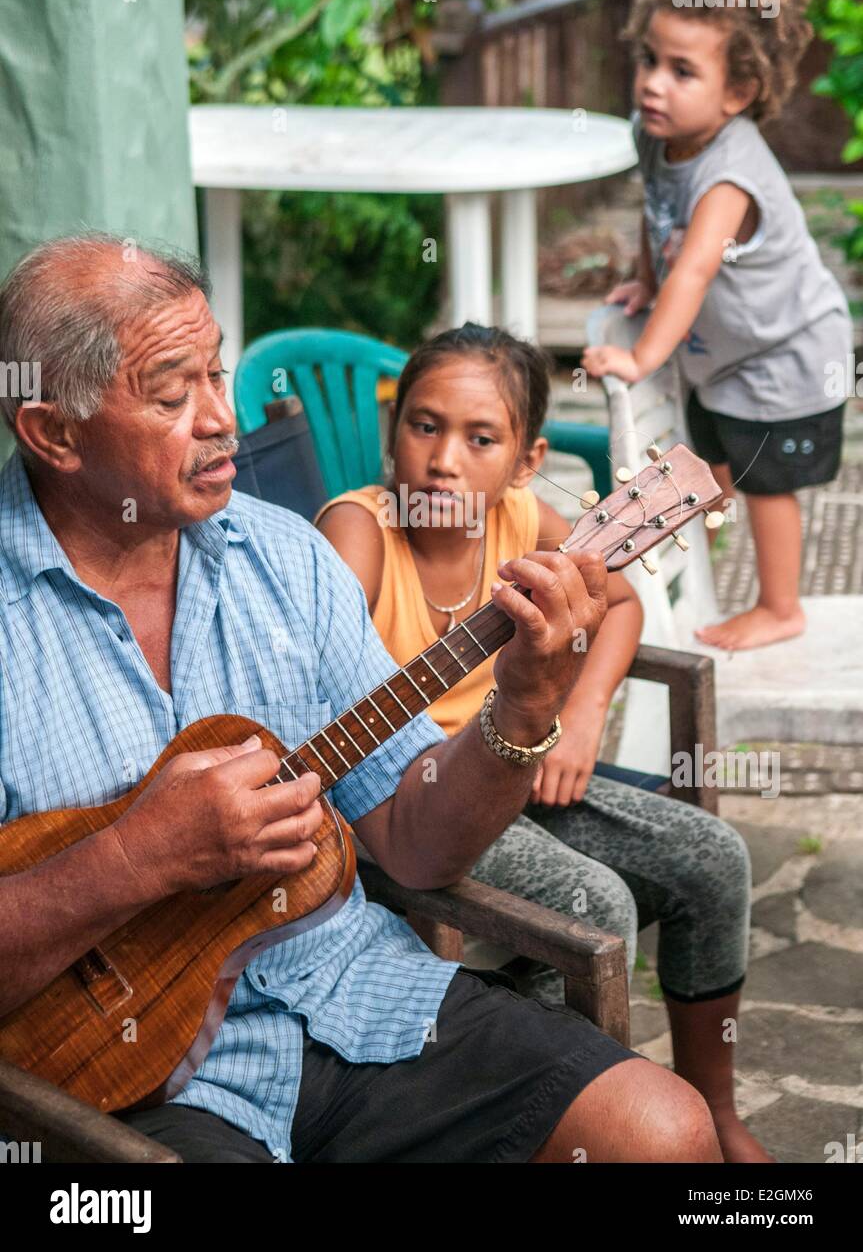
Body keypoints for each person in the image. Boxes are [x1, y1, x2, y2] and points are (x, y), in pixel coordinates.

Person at [0, 235, 724, 1165]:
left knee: (662, 1133)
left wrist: (525, 708)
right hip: (128, 1090)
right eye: (173, 395)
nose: (222, 419)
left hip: (350, 992)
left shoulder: (287, 559)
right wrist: (144, 855)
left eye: (219, 373)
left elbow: (420, 844)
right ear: (54, 432)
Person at [316, 322, 769, 1164]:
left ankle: (714, 1111)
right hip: (394, 805)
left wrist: (584, 713)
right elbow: (321, 691)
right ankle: (577, 1119)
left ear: (525, 461)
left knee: (711, 856)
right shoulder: (359, 534)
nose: (444, 459)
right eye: (423, 425)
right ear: (394, 432)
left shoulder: (524, 517)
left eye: (479, 438)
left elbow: (622, 603)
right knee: (594, 904)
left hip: (514, 765)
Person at [582, 0, 852, 651]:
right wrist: (644, 281)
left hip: (785, 351)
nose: (651, 83)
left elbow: (697, 265)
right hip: (727, 352)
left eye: (680, 71)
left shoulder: (730, 175)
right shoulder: (651, 132)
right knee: (716, 454)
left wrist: (638, 361)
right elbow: (653, 212)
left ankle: (779, 606)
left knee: (765, 481)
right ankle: (692, 541)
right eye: (648, 59)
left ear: (738, 91)